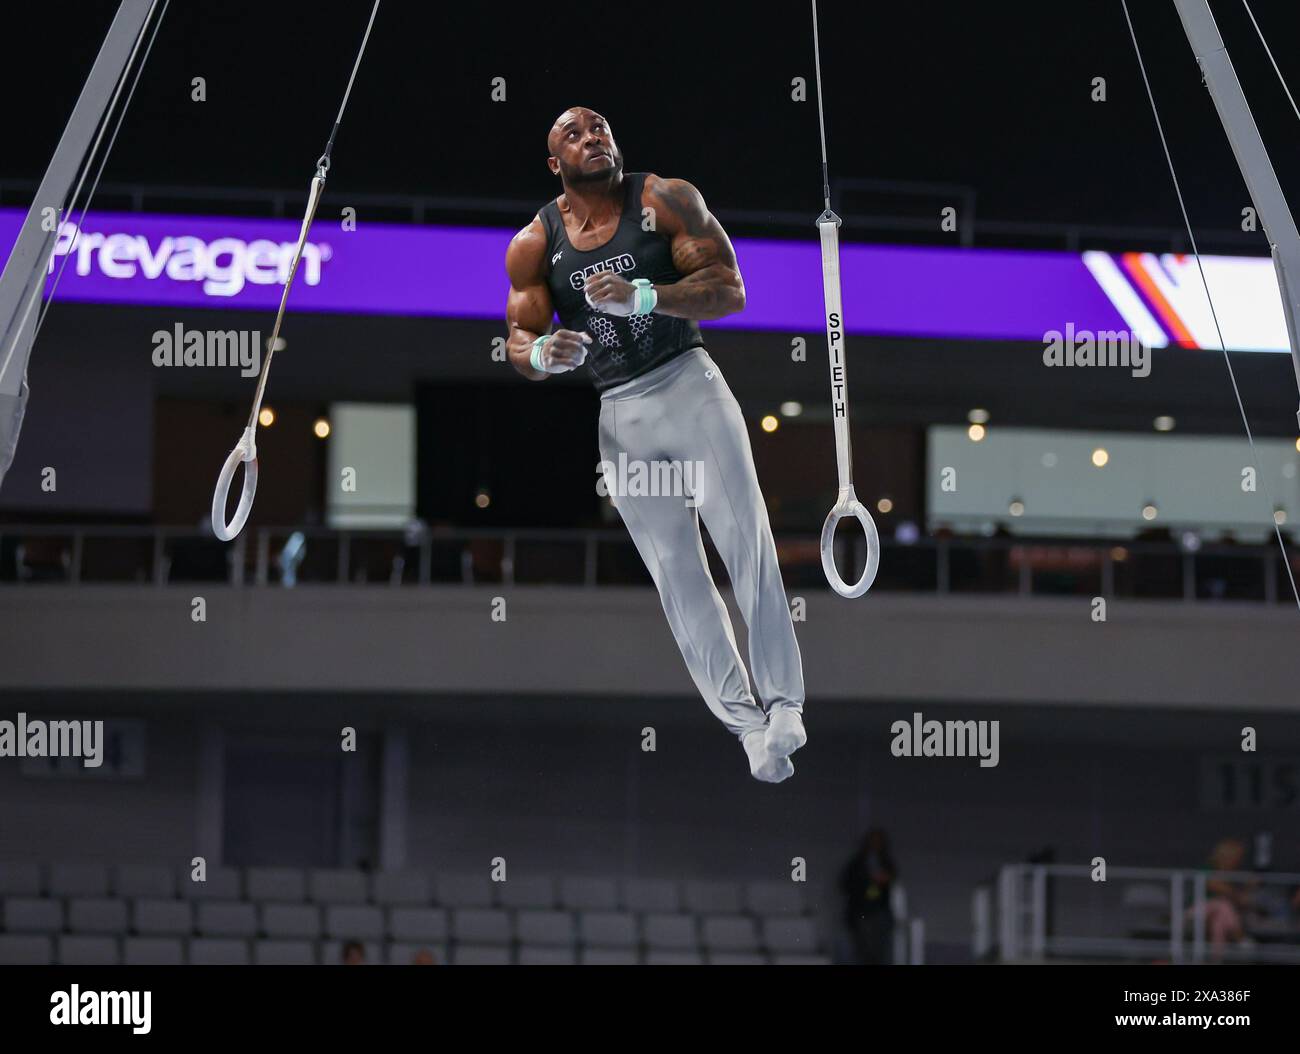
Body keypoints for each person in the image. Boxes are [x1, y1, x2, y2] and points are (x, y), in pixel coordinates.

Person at [504, 107, 805, 782]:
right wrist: (545, 353)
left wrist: (647, 297)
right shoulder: (533, 244)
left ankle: (785, 702)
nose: (593, 138)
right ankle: (748, 729)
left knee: (744, 541)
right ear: (556, 164)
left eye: (600, 128)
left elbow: (730, 290)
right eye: (574, 135)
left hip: (690, 386)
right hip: (622, 418)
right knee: (679, 577)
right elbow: (517, 346)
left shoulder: (665, 198)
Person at [840, 828, 897, 964]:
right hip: (862, 912)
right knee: (864, 950)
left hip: (880, 912)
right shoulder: (857, 863)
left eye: (878, 841)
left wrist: (884, 879)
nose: (875, 844)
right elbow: (846, 884)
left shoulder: (886, 862)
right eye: (873, 841)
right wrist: (866, 880)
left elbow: (893, 879)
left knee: (880, 951)